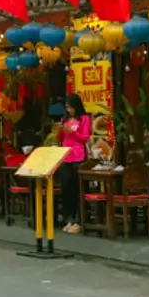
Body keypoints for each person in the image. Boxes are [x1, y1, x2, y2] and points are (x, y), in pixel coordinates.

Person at [58, 94, 92, 235]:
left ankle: (79, 220)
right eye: (67, 107)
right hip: (66, 156)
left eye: (71, 107)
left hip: (78, 156)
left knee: (78, 189)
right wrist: (60, 131)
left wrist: (71, 132)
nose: (69, 110)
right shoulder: (65, 120)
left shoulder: (85, 119)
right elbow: (61, 139)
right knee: (67, 189)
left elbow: (84, 138)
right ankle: (69, 219)